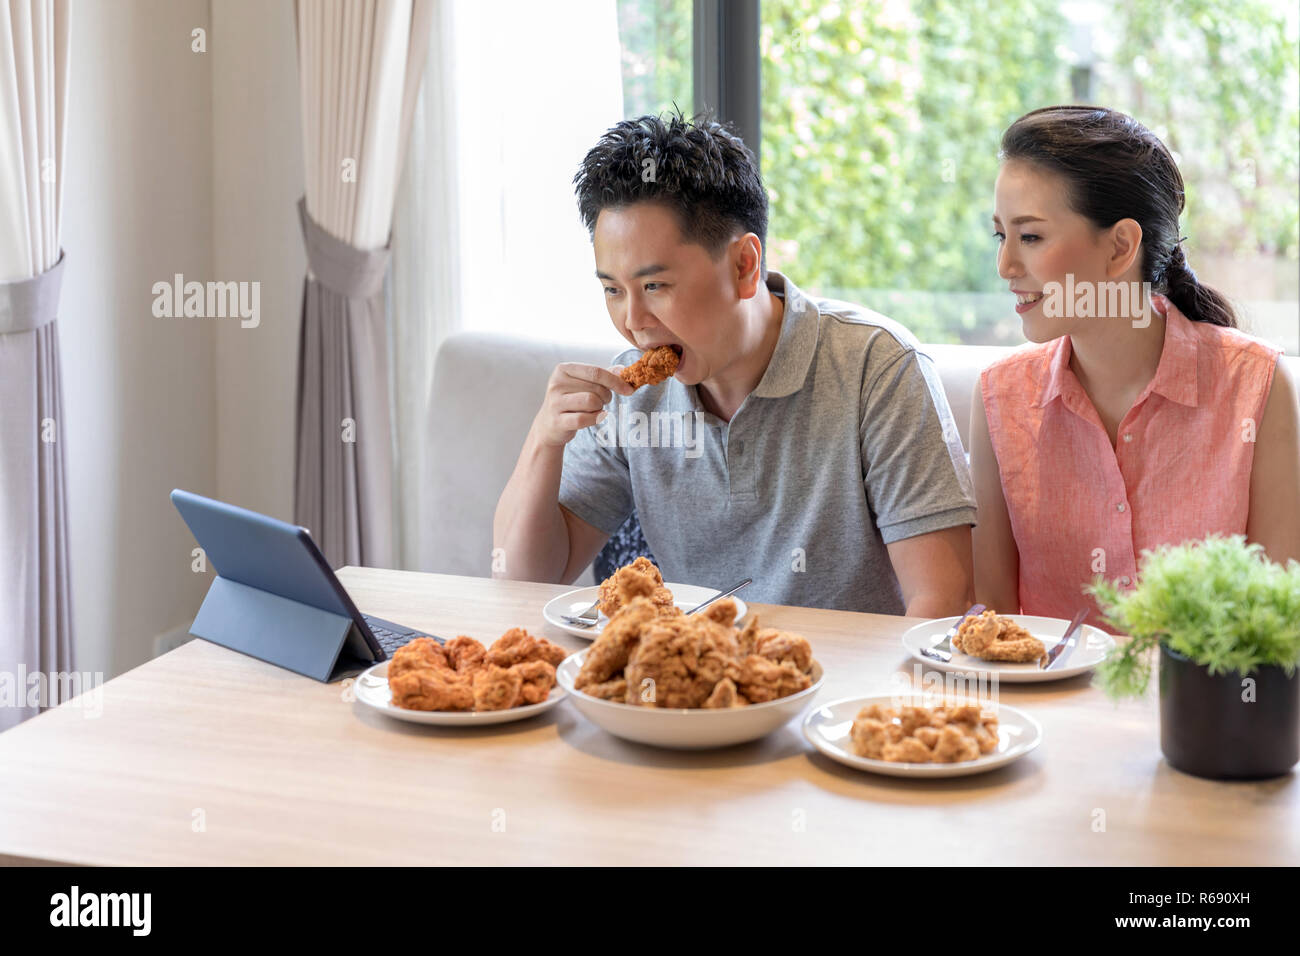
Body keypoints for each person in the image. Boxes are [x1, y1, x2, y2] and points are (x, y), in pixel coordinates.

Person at [493, 111, 977, 615]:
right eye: (613, 290)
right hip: (698, 685)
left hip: (845, 687)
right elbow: (522, 579)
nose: (633, 321)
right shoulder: (630, 399)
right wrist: (544, 441)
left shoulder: (876, 367)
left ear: (745, 266)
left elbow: (941, 603)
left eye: (655, 286)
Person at [970, 105, 1300, 630]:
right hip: (1050, 713)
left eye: (1029, 236)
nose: (1005, 265)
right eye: (1000, 237)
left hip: (1204, 710)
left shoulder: (1256, 386)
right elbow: (991, 625)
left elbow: (1278, 625)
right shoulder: (998, 398)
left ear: (1121, 245)